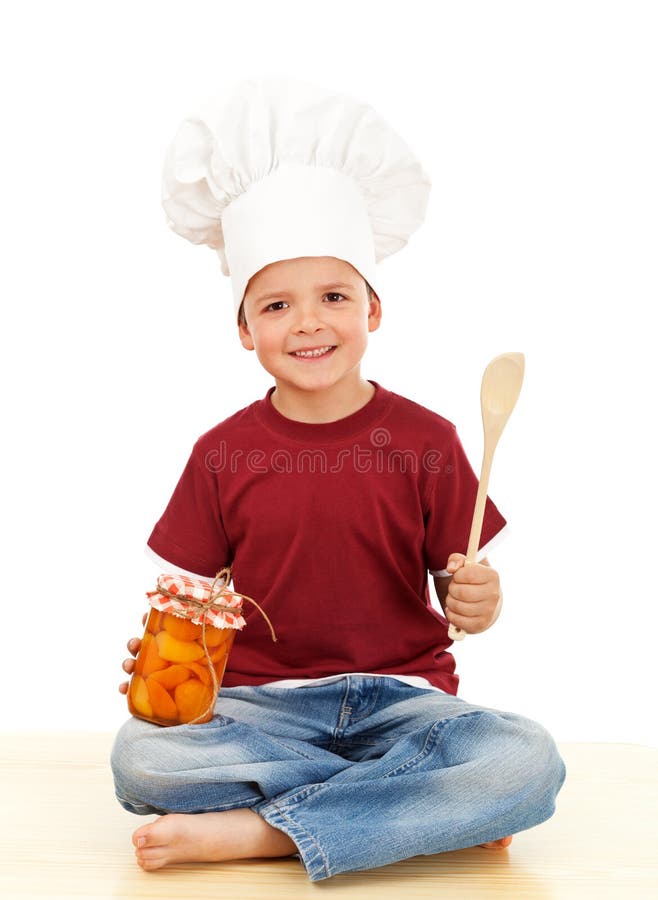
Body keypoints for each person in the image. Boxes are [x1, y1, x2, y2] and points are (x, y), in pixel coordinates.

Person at [111, 77, 566, 882]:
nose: (309, 321)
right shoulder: (222, 452)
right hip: (261, 708)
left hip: (404, 703)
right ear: (245, 330)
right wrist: (169, 660)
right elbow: (192, 601)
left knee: (524, 762)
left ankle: (270, 830)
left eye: (333, 295)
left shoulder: (427, 441)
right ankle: (410, 813)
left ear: (373, 310)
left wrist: (481, 601)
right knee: (142, 763)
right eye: (277, 306)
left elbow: (466, 590)